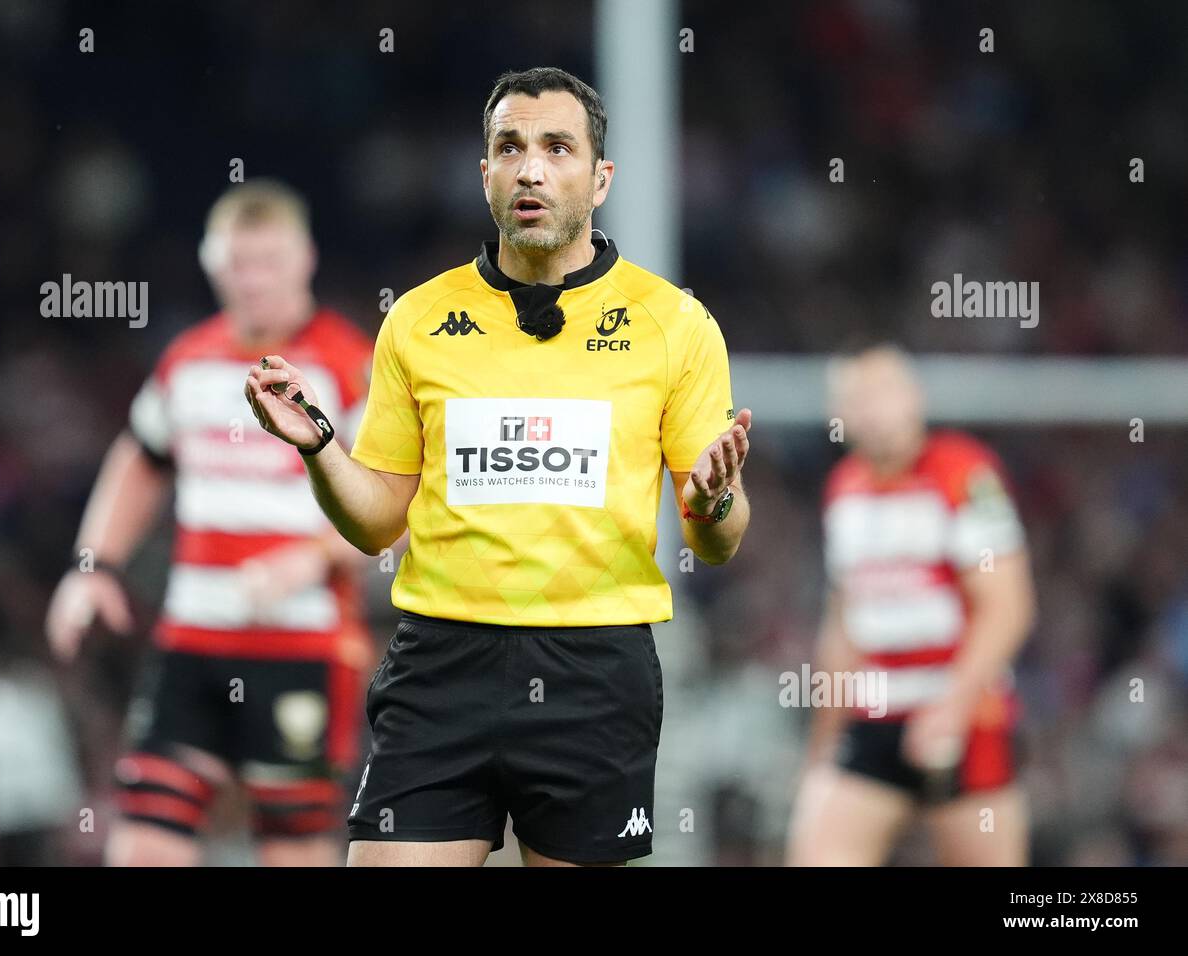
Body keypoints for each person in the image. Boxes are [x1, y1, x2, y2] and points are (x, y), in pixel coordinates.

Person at [245, 67, 752, 867]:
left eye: (557, 147)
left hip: (594, 669)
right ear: (485, 174)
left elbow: (717, 538)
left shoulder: (674, 324)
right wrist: (320, 451)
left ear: (601, 176)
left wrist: (716, 501)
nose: (531, 168)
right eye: (509, 148)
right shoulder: (416, 319)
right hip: (443, 663)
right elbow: (378, 519)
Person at [46, 180, 375, 866]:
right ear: (211, 264)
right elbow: (139, 458)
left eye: (268, 261)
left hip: (301, 645)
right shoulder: (188, 361)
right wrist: (92, 567)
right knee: (142, 834)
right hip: (192, 637)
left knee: (293, 844)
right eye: (237, 263)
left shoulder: (348, 365)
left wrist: (313, 556)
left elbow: (397, 501)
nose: (252, 280)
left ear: (304, 258)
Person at [787, 342, 1035, 866]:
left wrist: (953, 706)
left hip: (967, 720)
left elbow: (1008, 605)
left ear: (915, 399)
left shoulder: (963, 473)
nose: (873, 412)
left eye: (883, 394)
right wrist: (822, 743)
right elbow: (844, 624)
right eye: (858, 400)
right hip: (876, 714)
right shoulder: (845, 489)